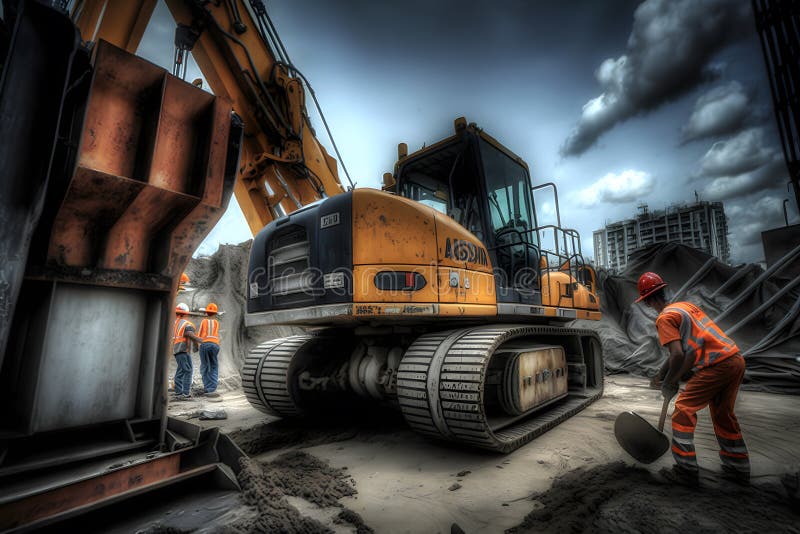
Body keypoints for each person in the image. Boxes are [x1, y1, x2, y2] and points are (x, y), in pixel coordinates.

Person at [636, 271, 750, 484]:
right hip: (735, 359)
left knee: (683, 410)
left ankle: (685, 470)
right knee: (723, 414)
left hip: (717, 365)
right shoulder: (685, 307)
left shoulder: (664, 318)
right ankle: (738, 469)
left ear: (648, 301)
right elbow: (680, 353)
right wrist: (661, 375)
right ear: (663, 291)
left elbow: (680, 354)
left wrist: (671, 380)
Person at [173, 303, 202, 401]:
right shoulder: (186, 323)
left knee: (181, 370)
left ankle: (178, 392)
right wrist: (200, 341)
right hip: (183, 350)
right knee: (188, 370)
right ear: (185, 313)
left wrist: (195, 344)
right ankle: (185, 394)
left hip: (177, 350)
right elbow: (189, 333)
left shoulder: (175, 323)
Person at [197, 302, 222, 398]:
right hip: (215, 345)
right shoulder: (216, 322)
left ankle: (207, 388)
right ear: (215, 313)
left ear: (206, 313)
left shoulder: (204, 321)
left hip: (205, 344)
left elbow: (199, 335)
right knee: (214, 366)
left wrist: (197, 345)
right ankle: (212, 389)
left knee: (205, 366)